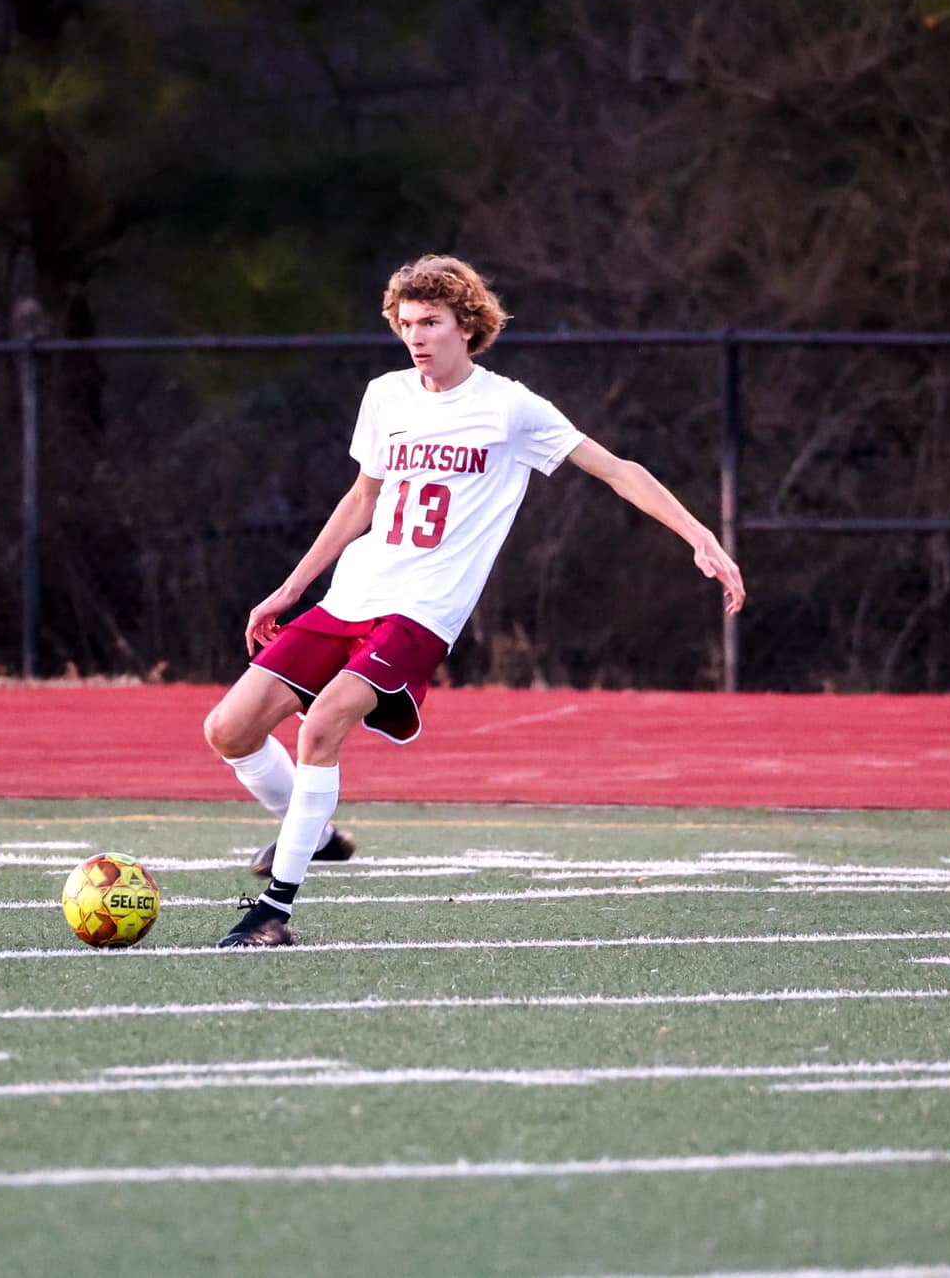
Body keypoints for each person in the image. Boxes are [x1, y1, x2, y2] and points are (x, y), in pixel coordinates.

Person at [200, 254, 747, 946]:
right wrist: (291, 588)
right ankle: (315, 831)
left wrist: (699, 535)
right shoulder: (386, 395)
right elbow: (362, 499)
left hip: (421, 612)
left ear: (467, 326)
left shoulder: (510, 407)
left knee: (322, 727)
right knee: (229, 729)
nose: (416, 336)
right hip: (353, 595)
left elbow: (617, 470)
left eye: (430, 322)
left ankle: (275, 911)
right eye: (406, 324)